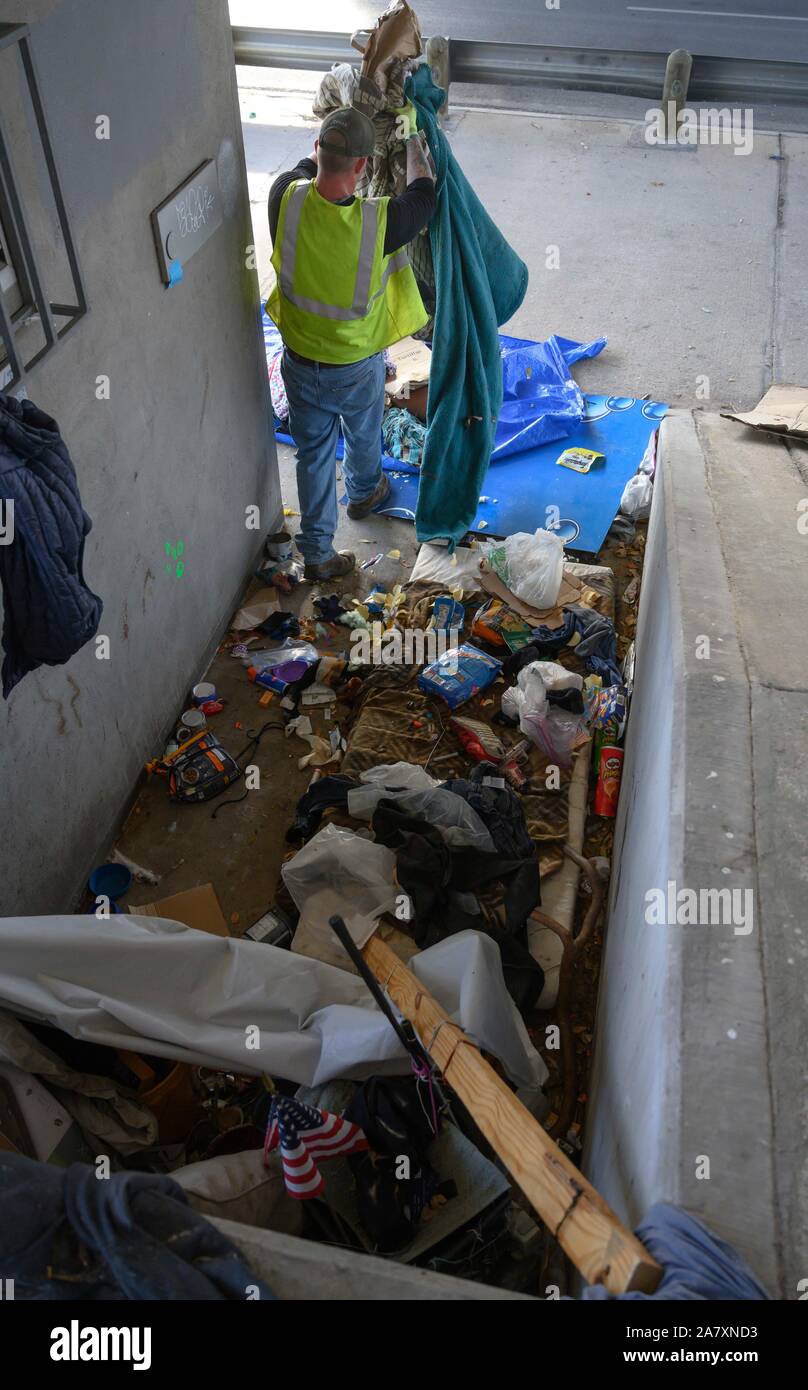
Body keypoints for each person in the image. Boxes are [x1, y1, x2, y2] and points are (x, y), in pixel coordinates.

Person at [268, 104, 436, 580]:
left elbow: (300, 170)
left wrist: (321, 151)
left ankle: (318, 553)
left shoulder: (284, 198)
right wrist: (413, 140)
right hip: (354, 366)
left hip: (299, 362)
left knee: (313, 453)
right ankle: (364, 493)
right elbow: (424, 193)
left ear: (319, 150)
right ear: (363, 166)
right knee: (363, 431)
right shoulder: (380, 222)